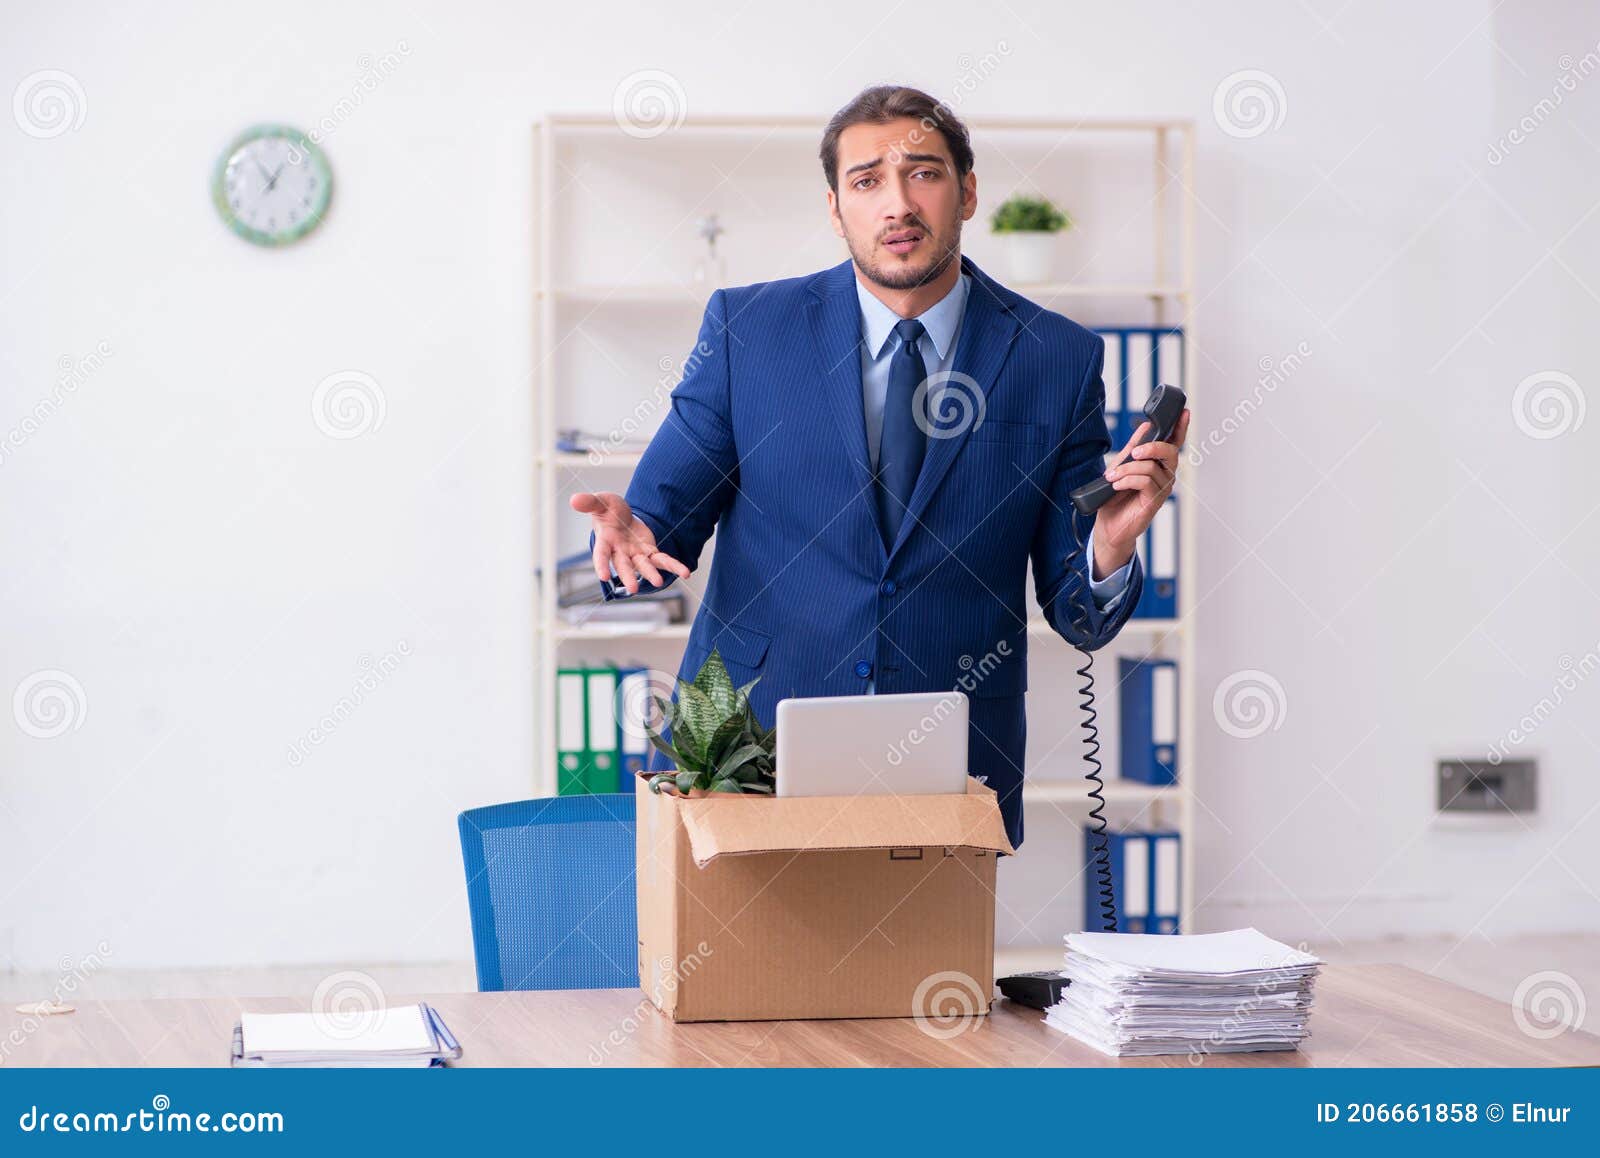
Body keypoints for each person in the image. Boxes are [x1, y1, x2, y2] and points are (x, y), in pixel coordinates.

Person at [572, 84, 1190, 848]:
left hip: (954, 754)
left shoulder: (1055, 357)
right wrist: (630, 540)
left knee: (928, 970)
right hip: (747, 743)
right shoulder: (749, 331)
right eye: (867, 181)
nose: (896, 204)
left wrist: (1112, 547)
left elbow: (1078, 614)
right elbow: (656, 542)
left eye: (923, 173)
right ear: (836, 209)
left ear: (966, 192)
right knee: (751, 969)